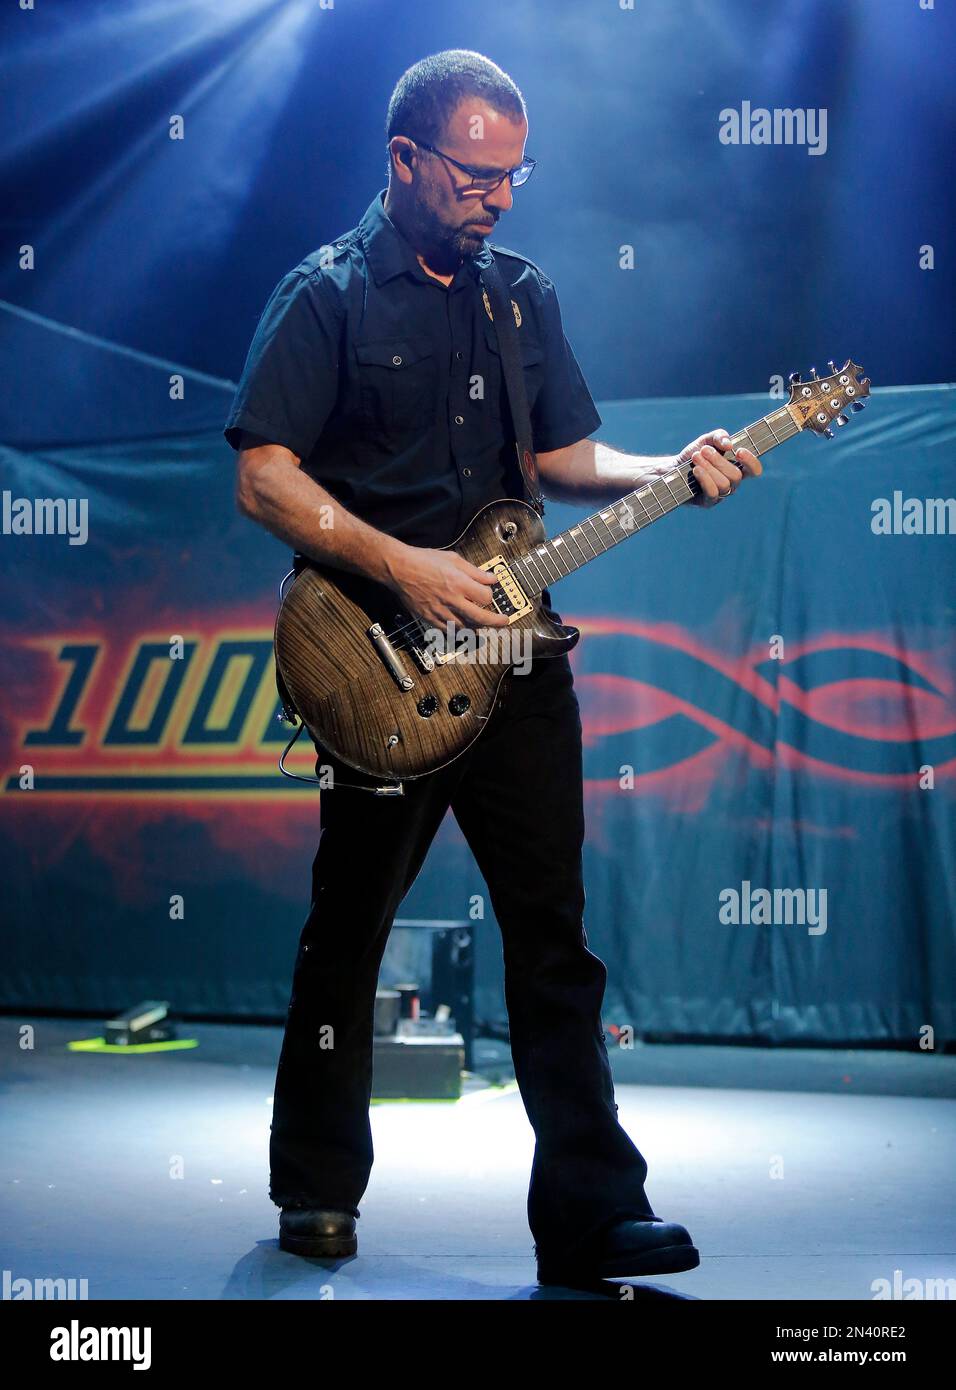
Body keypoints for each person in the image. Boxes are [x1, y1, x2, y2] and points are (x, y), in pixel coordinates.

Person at [223, 49, 761, 1286]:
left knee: (553, 939)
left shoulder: (522, 294)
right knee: (344, 934)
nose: (498, 197)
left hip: (516, 657)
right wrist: (402, 566)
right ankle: (314, 1183)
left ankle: (589, 1208)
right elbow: (262, 473)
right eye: (474, 173)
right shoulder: (326, 294)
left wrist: (666, 468)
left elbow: (565, 451)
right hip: (381, 665)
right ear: (405, 160)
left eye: (514, 174)